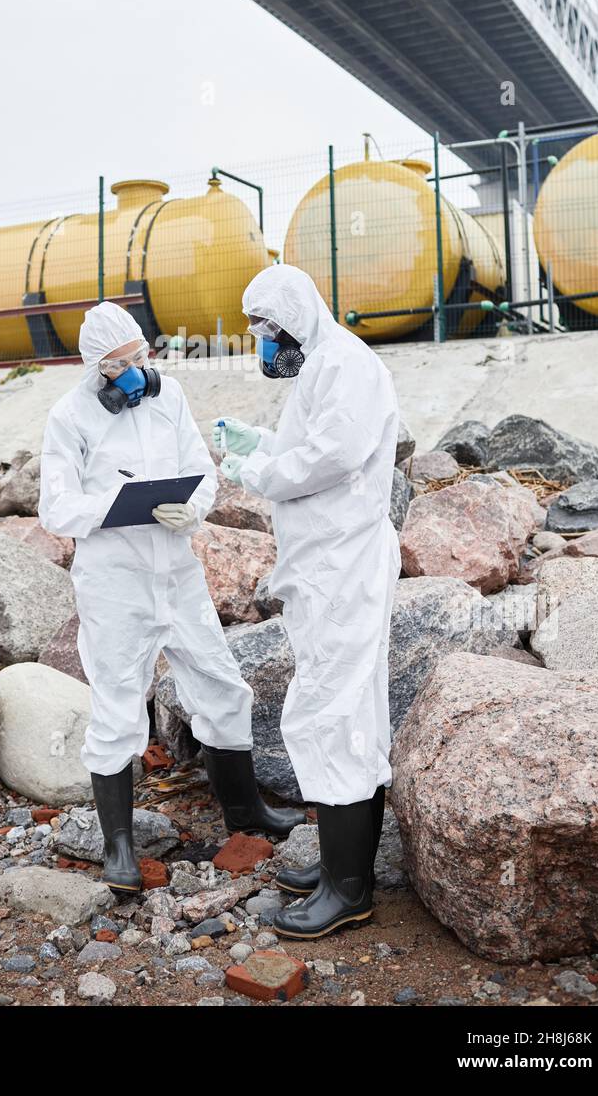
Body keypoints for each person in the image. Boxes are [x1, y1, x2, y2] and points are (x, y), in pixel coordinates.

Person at [38, 300, 304, 894]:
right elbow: (54, 507)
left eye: (141, 355)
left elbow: (201, 470)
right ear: (96, 368)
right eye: (121, 364)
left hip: (177, 573)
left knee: (221, 685)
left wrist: (194, 509)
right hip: (115, 584)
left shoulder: (171, 397)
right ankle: (120, 847)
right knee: (117, 707)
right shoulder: (69, 417)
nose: (137, 369)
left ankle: (245, 812)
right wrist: (117, 507)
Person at [214, 264, 401, 939]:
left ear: (294, 318)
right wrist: (259, 444)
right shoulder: (326, 363)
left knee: (333, 711)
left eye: (268, 329)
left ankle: (348, 889)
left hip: (342, 566)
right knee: (336, 708)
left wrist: (256, 470)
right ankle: (339, 870)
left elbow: (335, 454)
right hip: (327, 567)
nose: (264, 344)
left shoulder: (346, 364)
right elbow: (308, 445)